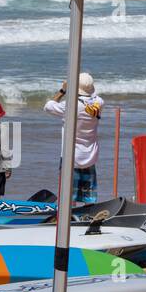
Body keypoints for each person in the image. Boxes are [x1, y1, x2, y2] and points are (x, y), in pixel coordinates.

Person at [45, 72, 104, 205]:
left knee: (68, 197)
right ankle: (88, 217)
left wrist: (63, 91)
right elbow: (93, 97)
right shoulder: (99, 103)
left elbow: (48, 106)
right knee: (89, 196)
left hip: (70, 157)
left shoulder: (70, 106)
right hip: (90, 156)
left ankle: (70, 221)